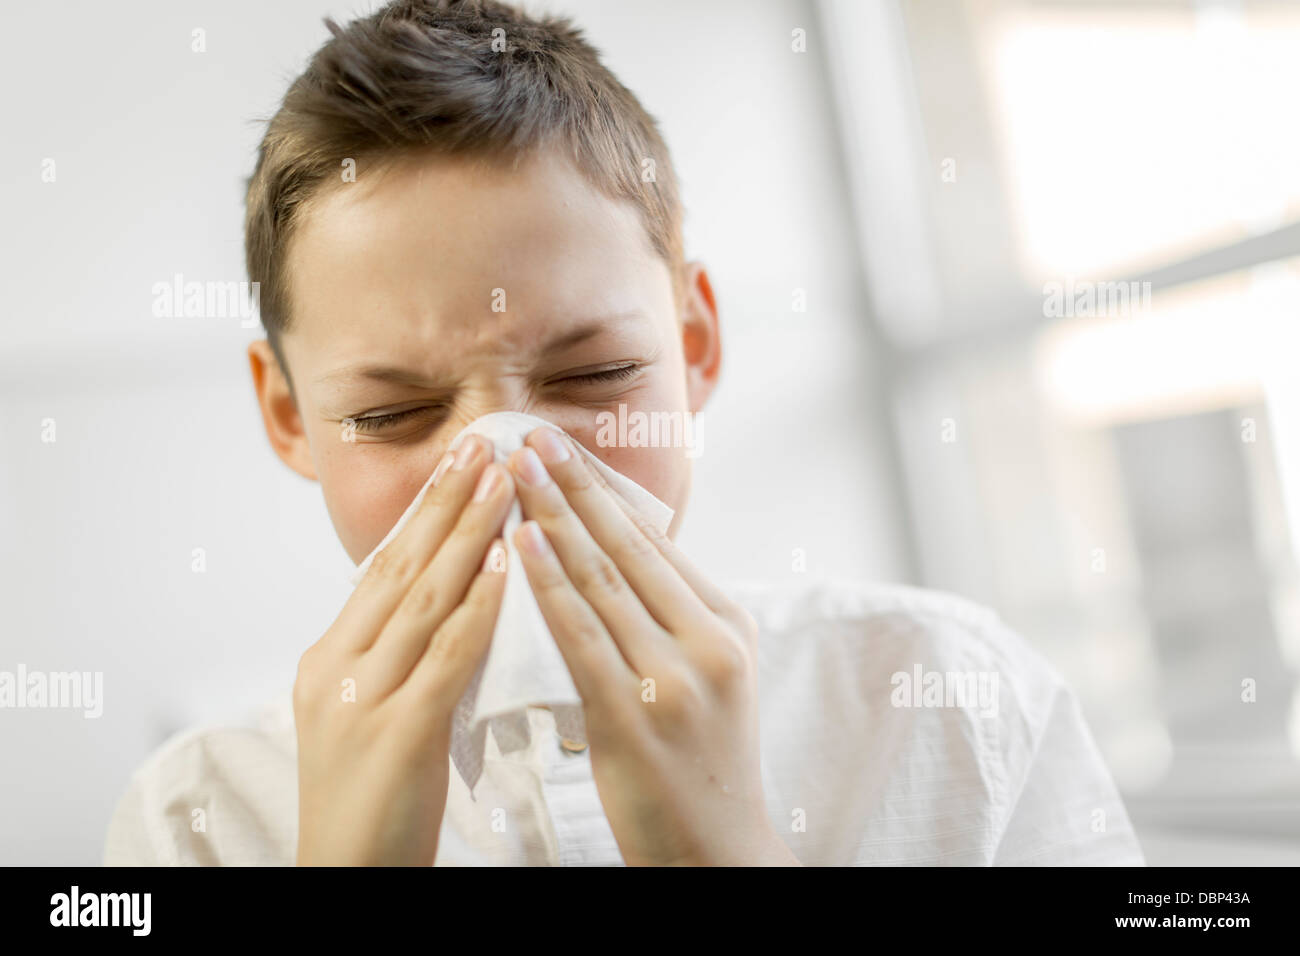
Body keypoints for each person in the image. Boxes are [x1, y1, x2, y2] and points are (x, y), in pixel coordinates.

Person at [104, 0, 1144, 866]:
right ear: (290, 416)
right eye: (392, 413)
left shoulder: (952, 702)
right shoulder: (192, 817)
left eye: (592, 375)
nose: (508, 469)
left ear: (693, 343)